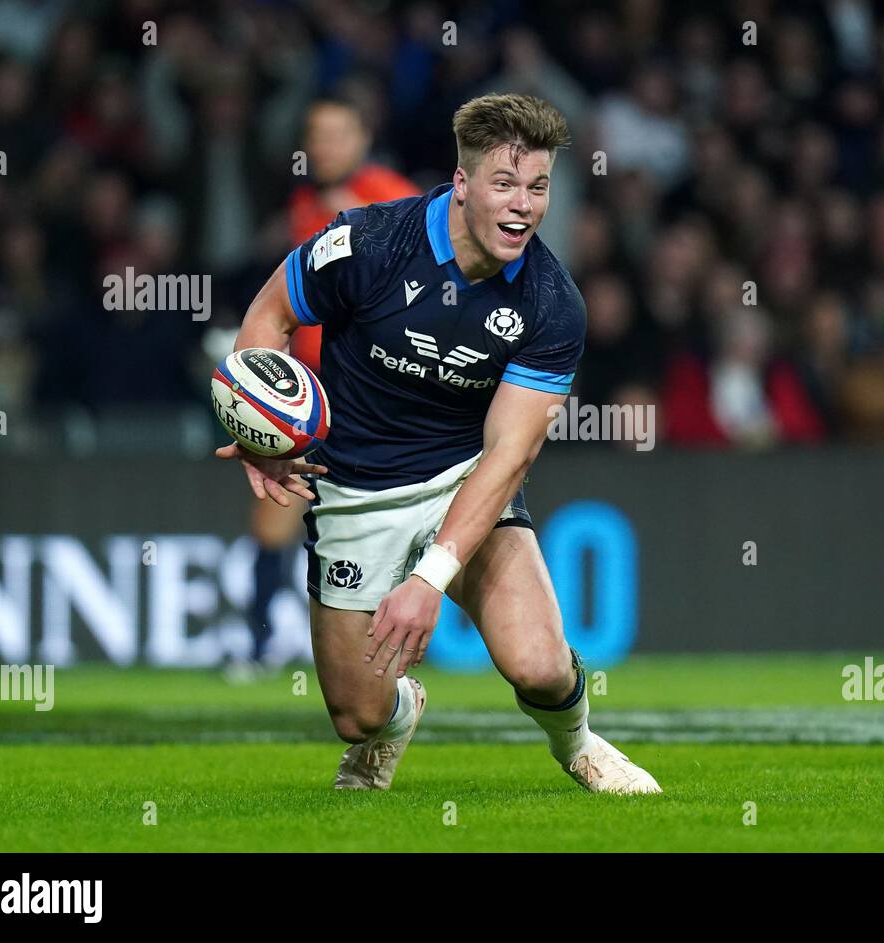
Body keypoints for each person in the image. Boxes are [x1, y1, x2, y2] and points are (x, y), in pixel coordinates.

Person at [215, 93, 661, 794]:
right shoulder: (369, 242)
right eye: (505, 183)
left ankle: (577, 743)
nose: (523, 205)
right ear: (462, 184)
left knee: (541, 665)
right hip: (354, 484)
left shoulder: (551, 302)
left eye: (538, 186)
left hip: (464, 476)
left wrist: (428, 579)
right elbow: (269, 314)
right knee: (356, 715)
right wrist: (259, 431)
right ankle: (399, 716)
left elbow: (509, 455)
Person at [236, 97, 418, 678]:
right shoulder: (304, 203)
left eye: (339, 133)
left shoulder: (390, 193)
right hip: (307, 395)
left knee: (393, 517)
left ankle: (402, 641)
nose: (325, 146)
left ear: (364, 138)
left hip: (374, 390)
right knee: (275, 511)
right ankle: (261, 646)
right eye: (316, 134)